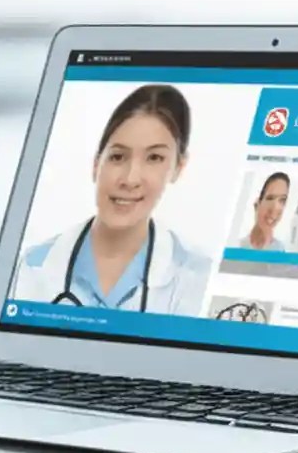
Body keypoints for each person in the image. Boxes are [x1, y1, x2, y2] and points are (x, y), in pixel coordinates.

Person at [12, 84, 211, 316]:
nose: (130, 179)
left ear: (178, 167)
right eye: (117, 157)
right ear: (96, 164)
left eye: (154, 158)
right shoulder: (33, 267)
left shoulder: (197, 277)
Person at [237, 172, 289, 251]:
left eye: (282, 200)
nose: (275, 208)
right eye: (270, 198)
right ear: (257, 205)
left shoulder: (280, 250)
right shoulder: (237, 246)